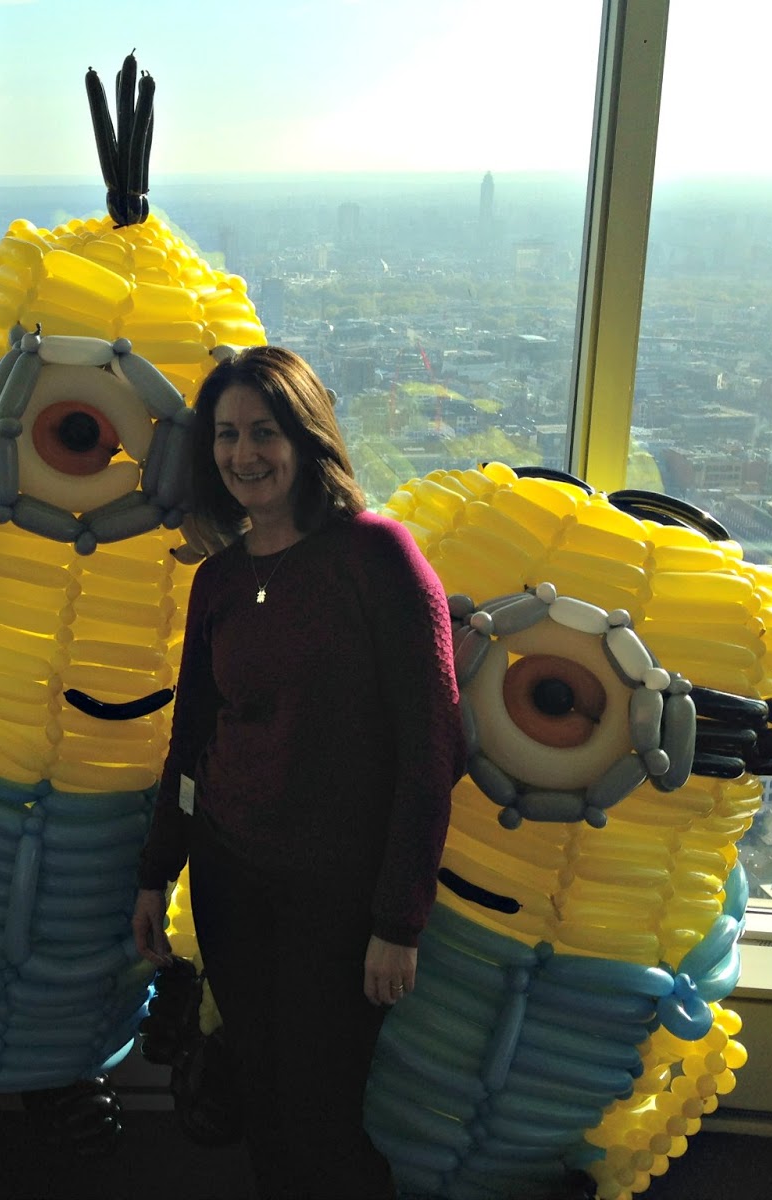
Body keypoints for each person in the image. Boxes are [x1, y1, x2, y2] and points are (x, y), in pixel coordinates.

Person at [132, 346, 465, 1199]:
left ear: (307, 436)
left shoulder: (379, 559)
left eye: (265, 432)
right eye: (227, 435)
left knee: (323, 1109)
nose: (244, 454)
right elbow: (193, 736)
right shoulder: (219, 579)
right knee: (264, 1097)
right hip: (233, 876)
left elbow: (432, 749)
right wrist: (154, 873)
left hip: (337, 896)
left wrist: (400, 918)